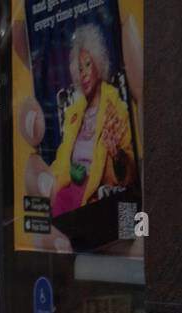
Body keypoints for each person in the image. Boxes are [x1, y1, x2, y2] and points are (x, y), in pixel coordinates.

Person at [49, 22, 134, 218]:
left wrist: (118, 158)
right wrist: (61, 173)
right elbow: (61, 161)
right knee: (53, 227)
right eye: (79, 68)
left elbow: (129, 176)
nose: (84, 73)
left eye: (88, 64)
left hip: (98, 200)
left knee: (129, 237)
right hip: (70, 194)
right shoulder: (73, 113)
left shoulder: (115, 108)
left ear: (99, 63)